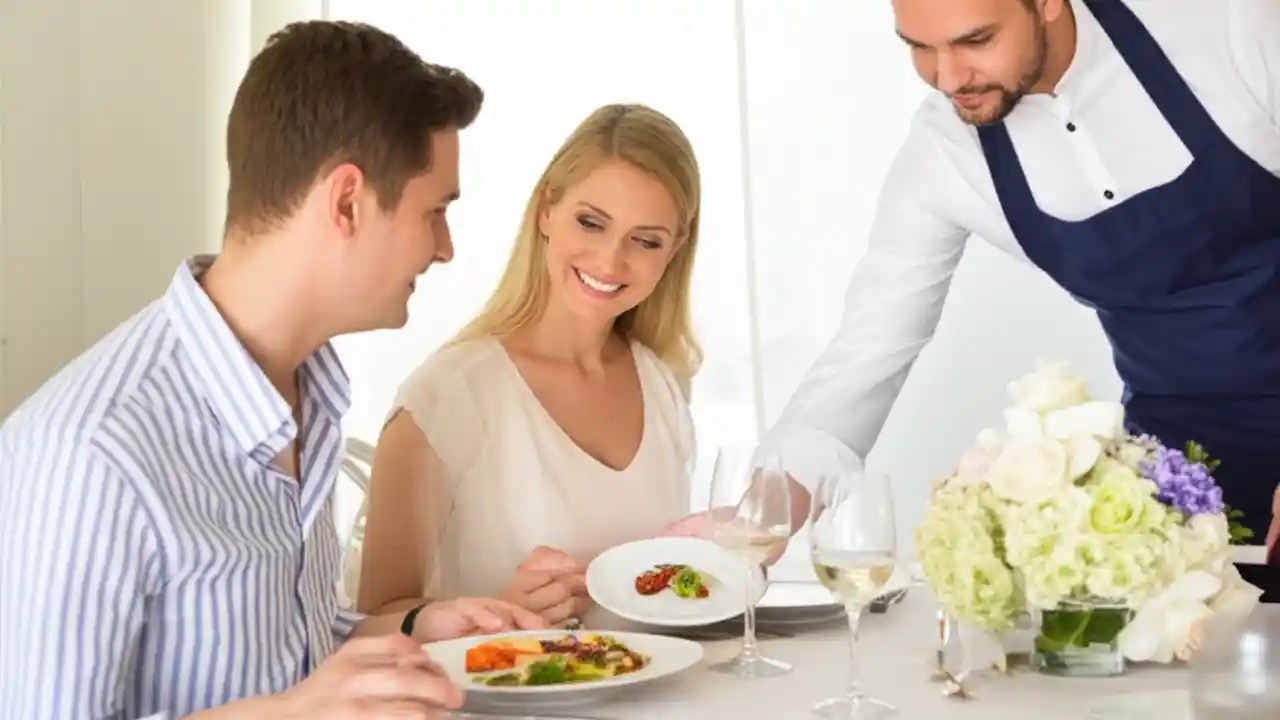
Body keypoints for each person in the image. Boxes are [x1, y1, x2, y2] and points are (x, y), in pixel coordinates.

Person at [0, 20, 545, 720]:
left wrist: (411, 629)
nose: (444, 249)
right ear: (346, 201)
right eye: (435, 212)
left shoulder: (306, 394)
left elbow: (279, 653)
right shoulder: (87, 450)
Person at [673, 0, 1280, 550]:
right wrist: (763, 515)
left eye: (975, 41)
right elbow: (868, 348)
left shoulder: (1231, 30)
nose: (948, 78)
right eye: (918, 47)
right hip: (1180, 484)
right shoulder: (946, 153)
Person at [355, 104, 702, 627]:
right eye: (591, 223)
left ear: (674, 250)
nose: (610, 261)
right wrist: (502, 614)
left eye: (645, 240)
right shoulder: (448, 396)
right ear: (546, 211)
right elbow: (370, 627)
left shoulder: (664, 384)